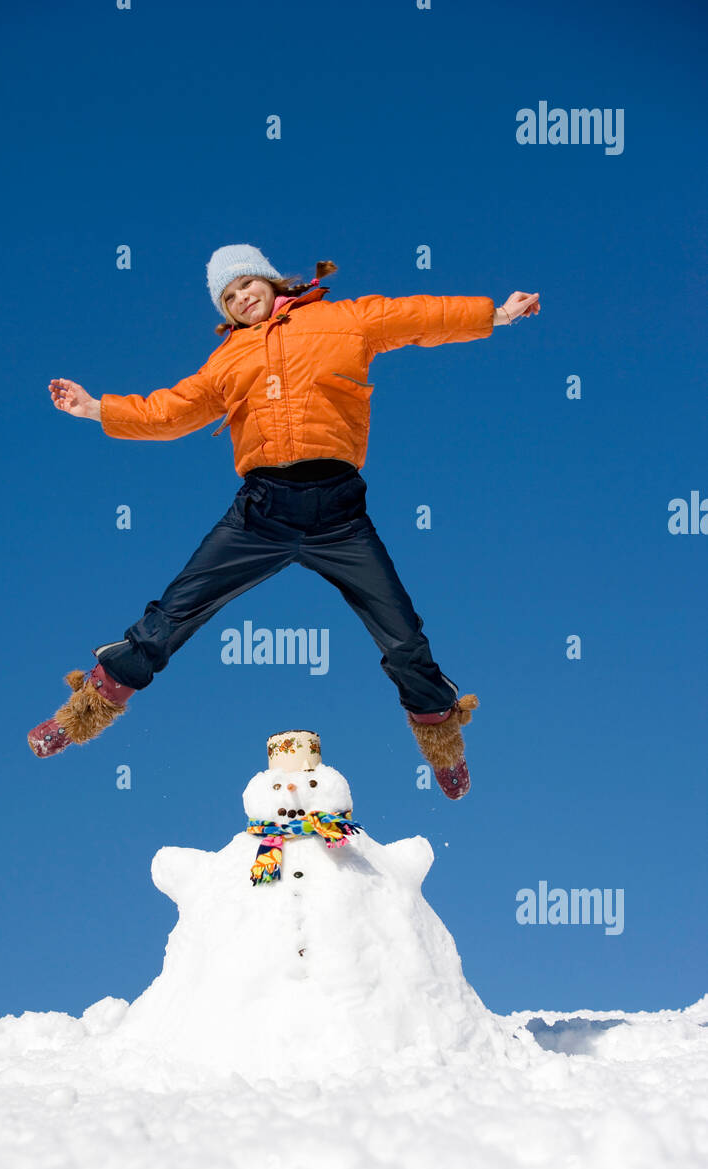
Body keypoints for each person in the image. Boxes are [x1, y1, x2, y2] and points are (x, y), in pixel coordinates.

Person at [29, 244, 540, 798]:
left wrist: (496, 313)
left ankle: (442, 742)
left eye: (247, 284)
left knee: (402, 636)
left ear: (271, 281)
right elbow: (170, 410)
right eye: (228, 296)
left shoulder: (345, 319)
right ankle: (80, 715)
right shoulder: (228, 359)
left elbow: (418, 315)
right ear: (224, 311)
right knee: (171, 613)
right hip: (262, 512)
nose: (242, 299)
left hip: (340, 513)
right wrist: (97, 407)